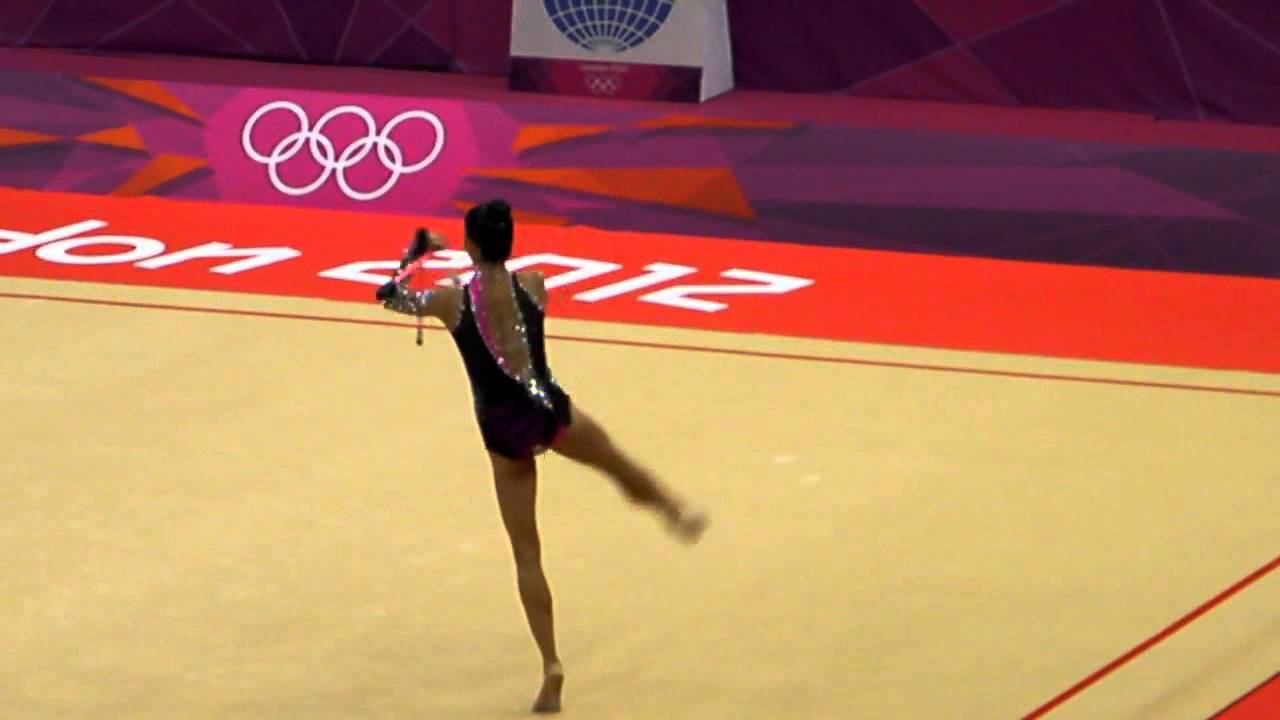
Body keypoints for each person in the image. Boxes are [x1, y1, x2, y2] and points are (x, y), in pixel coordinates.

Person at [375, 199, 707, 714]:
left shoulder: (449, 301)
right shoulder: (536, 283)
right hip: (549, 412)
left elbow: (390, 297)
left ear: (470, 244)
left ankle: (551, 663)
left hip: (504, 433)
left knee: (527, 551)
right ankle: (672, 509)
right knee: (617, 464)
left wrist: (414, 254)